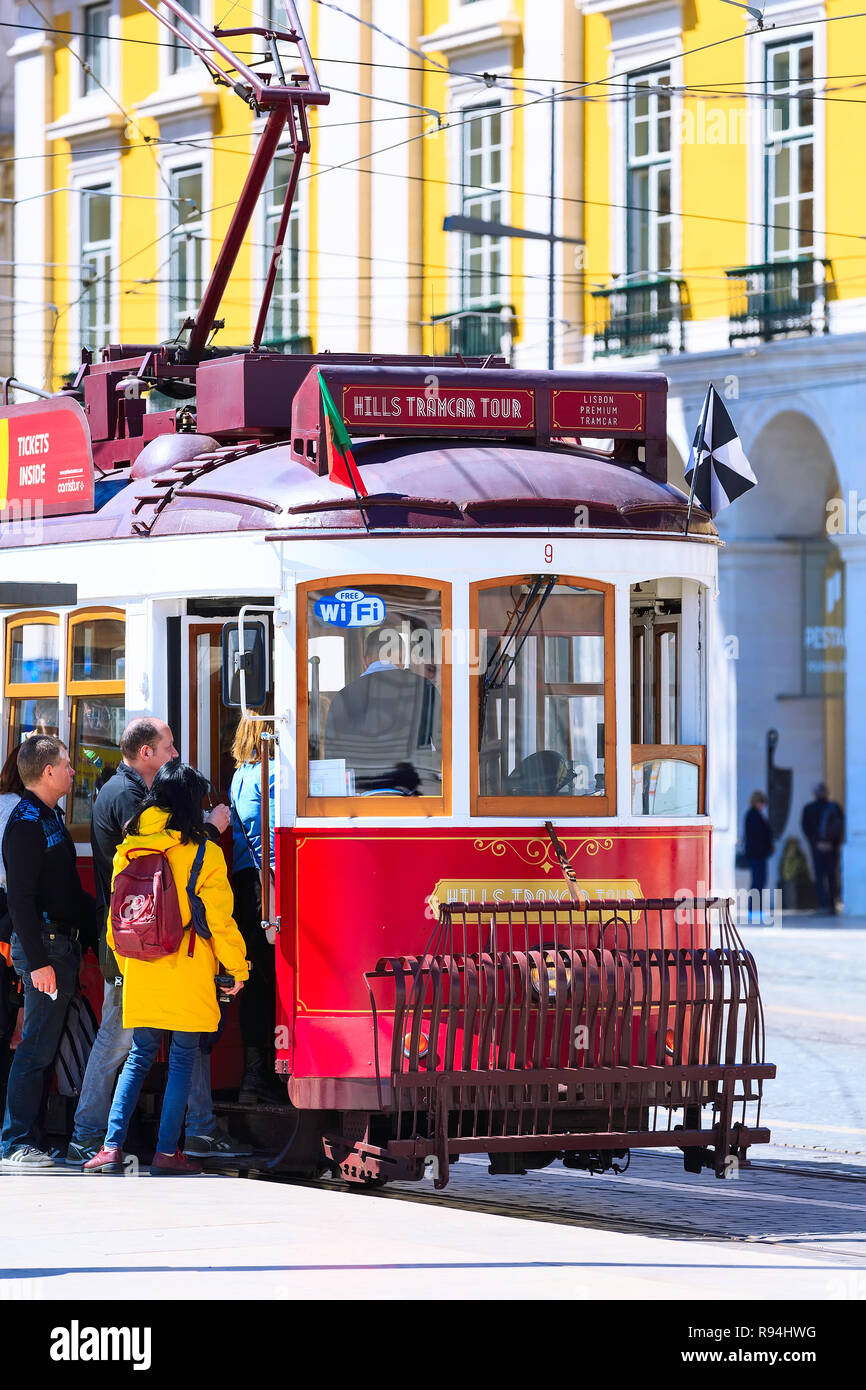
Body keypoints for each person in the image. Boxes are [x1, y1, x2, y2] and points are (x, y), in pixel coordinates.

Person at [67, 716, 250, 1164]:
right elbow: (222, 923)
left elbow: (117, 917)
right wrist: (238, 971)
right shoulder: (202, 852)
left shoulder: (132, 845)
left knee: (137, 1056)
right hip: (187, 968)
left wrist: (129, 966)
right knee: (183, 1058)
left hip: (141, 968)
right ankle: (169, 1150)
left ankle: (109, 1146)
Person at [0, 736, 96, 1170]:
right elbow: (19, 898)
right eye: (67, 764)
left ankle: (31, 1138)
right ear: (47, 772)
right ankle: (15, 1141)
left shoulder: (50, 815)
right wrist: (37, 962)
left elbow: (68, 889)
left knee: (44, 1047)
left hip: (63, 946)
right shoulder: (24, 821)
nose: (73, 771)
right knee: (35, 1048)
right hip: (44, 948)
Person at [230, 712, 280, 1104]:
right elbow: (277, 827)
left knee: (255, 979)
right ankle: (278, 1068)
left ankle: (254, 1075)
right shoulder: (274, 772)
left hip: (245, 884)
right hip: (272, 883)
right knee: (279, 977)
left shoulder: (239, 776)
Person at [324, 628, 441, 794]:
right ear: (401, 658)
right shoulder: (425, 688)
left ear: (365, 660)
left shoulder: (342, 697)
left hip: (359, 799)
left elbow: (332, 760)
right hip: (415, 798)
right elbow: (444, 747)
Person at [802, 784, 845, 915]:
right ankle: (832, 904)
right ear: (827, 793)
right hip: (832, 848)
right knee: (832, 876)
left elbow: (806, 827)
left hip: (817, 848)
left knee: (819, 876)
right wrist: (832, 844)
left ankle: (822, 905)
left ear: (815, 794)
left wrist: (817, 843)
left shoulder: (809, 808)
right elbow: (841, 826)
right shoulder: (835, 807)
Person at [743, 790, 773, 911]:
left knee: (760, 881)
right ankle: (754, 908)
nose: (762, 805)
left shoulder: (756, 815)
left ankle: (756, 907)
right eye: (761, 802)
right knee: (758, 881)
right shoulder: (752, 815)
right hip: (756, 854)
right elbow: (758, 834)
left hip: (759, 854)